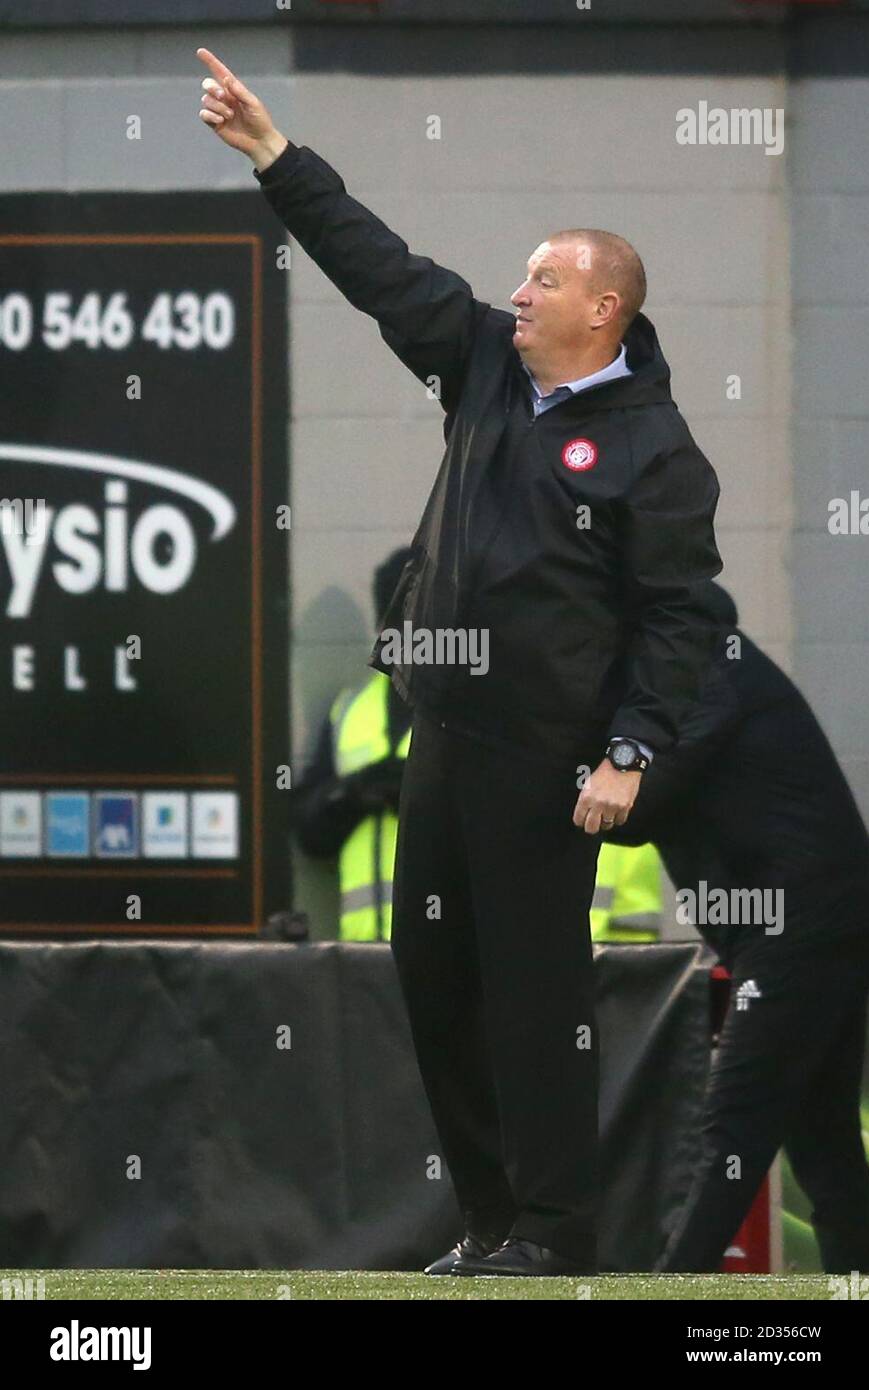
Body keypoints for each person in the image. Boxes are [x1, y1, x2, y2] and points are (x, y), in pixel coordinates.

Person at [196, 47, 722, 1276]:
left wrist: (631, 751)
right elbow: (381, 271)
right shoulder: (482, 361)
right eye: (522, 276)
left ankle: (556, 1229)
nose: (518, 292)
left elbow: (684, 619)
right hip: (447, 728)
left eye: (545, 280)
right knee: (433, 979)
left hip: (552, 763)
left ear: (607, 312)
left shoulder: (655, 450)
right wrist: (278, 159)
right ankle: (488, 1217)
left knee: (535, 999)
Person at [606, 581, 869, 1273]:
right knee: (823, 1140)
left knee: (736, 1122)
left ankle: (673, 1289)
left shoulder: (701, 675)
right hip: (813, 916)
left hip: (798, 922)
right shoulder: (707, 668)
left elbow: (637, 806)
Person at [293, 550, 413, 942]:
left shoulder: (475, 712)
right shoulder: (349, 712)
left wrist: (420, 795)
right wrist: (356, 792)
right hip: (365, 956)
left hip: (452, 958)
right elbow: (311, 832)